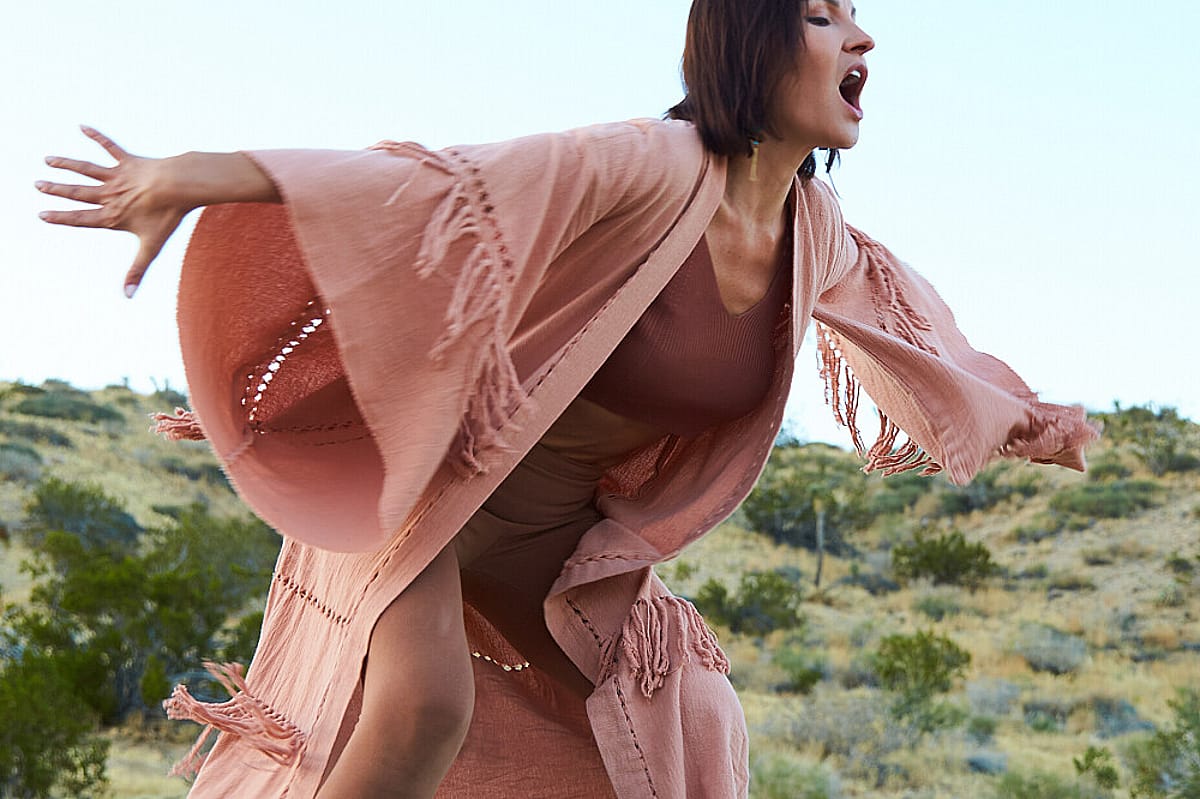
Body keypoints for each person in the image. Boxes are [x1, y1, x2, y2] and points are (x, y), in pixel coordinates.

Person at [37, 1, 1097, 797]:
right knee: (421, 710)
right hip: (424, 496)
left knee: (683, 715)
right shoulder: (654, 163)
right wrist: (191, 174)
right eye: (822, 15)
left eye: (862, 15)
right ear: (748, 43)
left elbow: (923, 336)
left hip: (554, 548)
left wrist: (1030, 422)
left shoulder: (813, 233)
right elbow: (441, 186)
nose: (860, 37)